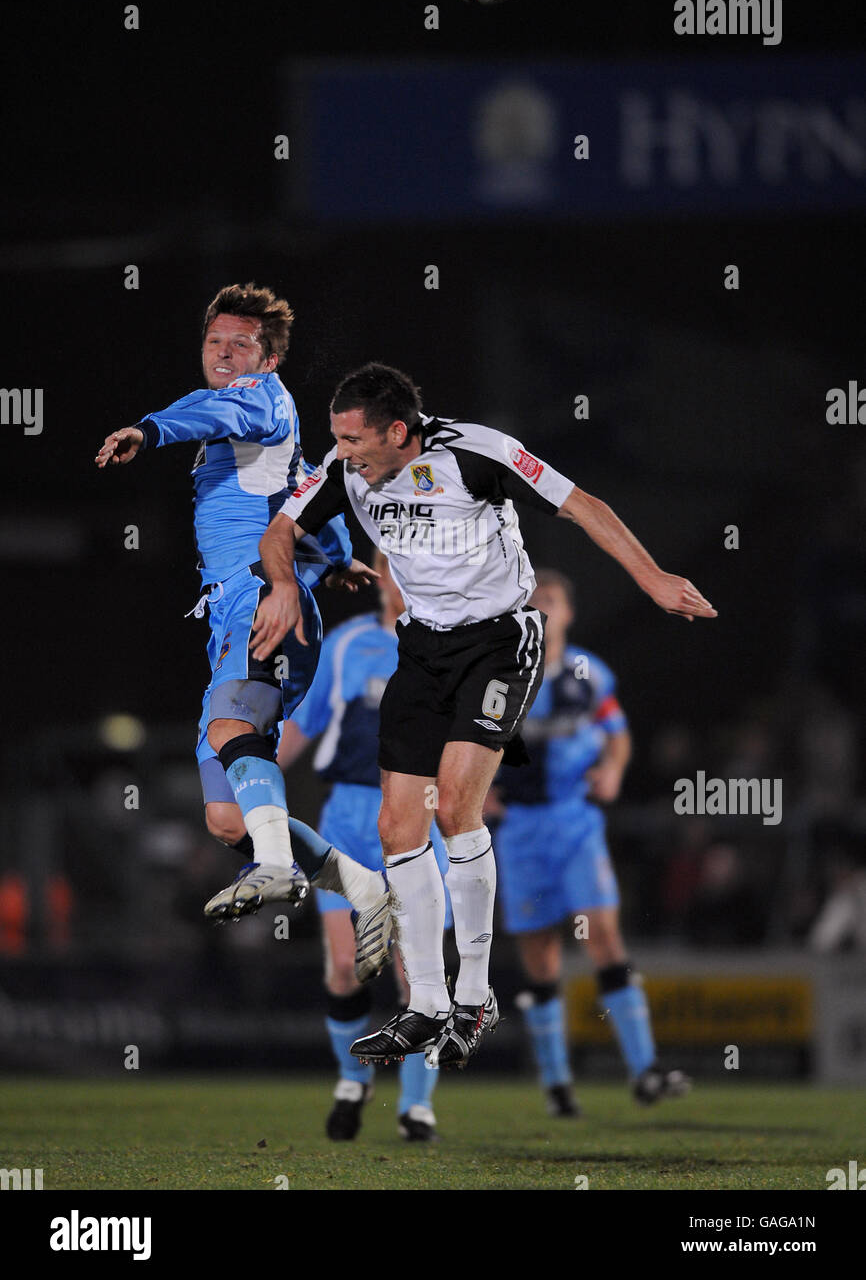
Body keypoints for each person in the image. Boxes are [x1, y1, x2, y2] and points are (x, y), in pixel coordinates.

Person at [251, 361, 717, 1070]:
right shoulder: (343, 471)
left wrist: (652, 578)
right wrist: (284, 586)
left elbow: (582, 502)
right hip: (423, 649)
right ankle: (428, 1003)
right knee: (394, 825)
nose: (341, 452)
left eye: (352, 439)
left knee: (453, 812)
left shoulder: (478, 453)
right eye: (336, 439)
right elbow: (279, 530)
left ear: (397, 431)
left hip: (500, 644)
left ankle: (474, 993)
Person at [94, 285, 390, 979]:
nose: (224, 355)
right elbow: (308, 481)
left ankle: (280, 868)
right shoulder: (266, 427)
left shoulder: (256, 397)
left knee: (233, 731)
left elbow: (215, 410)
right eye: (214, 342)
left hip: (262, 601)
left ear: (270, 357)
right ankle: (363, 887)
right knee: (227, 821)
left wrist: (149, 429)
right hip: (232, 611)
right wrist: (339, 552)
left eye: (241, 345)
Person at [488, 568, 690, 1115]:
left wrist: (613, 770)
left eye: (552, 598)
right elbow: (467, 744)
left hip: (575, 821)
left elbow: (617, 738)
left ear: (569, 613)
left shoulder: (588, 674)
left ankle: (645, 1069)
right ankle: (556, 1084)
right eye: (534, 599)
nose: (544, 606)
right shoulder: (499, 675)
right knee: (540, 955)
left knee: (602, 934)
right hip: (522, 829)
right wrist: (475, 793)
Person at [278, 551, 448, 1141]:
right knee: (346, 967)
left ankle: (417, 1107)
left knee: (415, 971)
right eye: (394, 564)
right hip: (350, 817)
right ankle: (354, 1080)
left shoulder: (452, 643)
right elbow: (305, 719)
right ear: (379, 576)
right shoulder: (349, 643)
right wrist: (254, 789)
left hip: (419, 815)